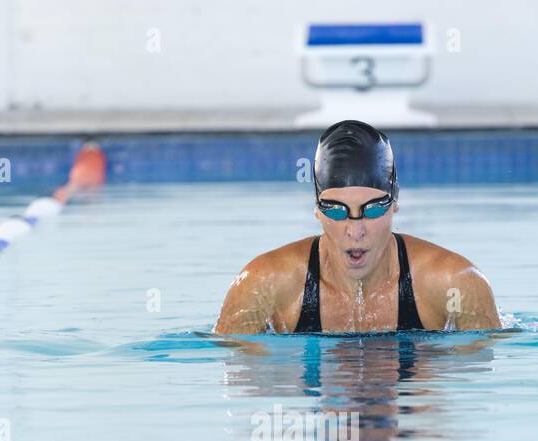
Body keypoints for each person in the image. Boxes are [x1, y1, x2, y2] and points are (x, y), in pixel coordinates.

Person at [215, 120, 502, 334]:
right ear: (317, 209)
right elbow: (237, 382)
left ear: (395, 204)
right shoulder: (263, 285)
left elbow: (476, 382)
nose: (355, 231)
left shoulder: (456, 284)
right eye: (337, 210)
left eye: (373, 209)